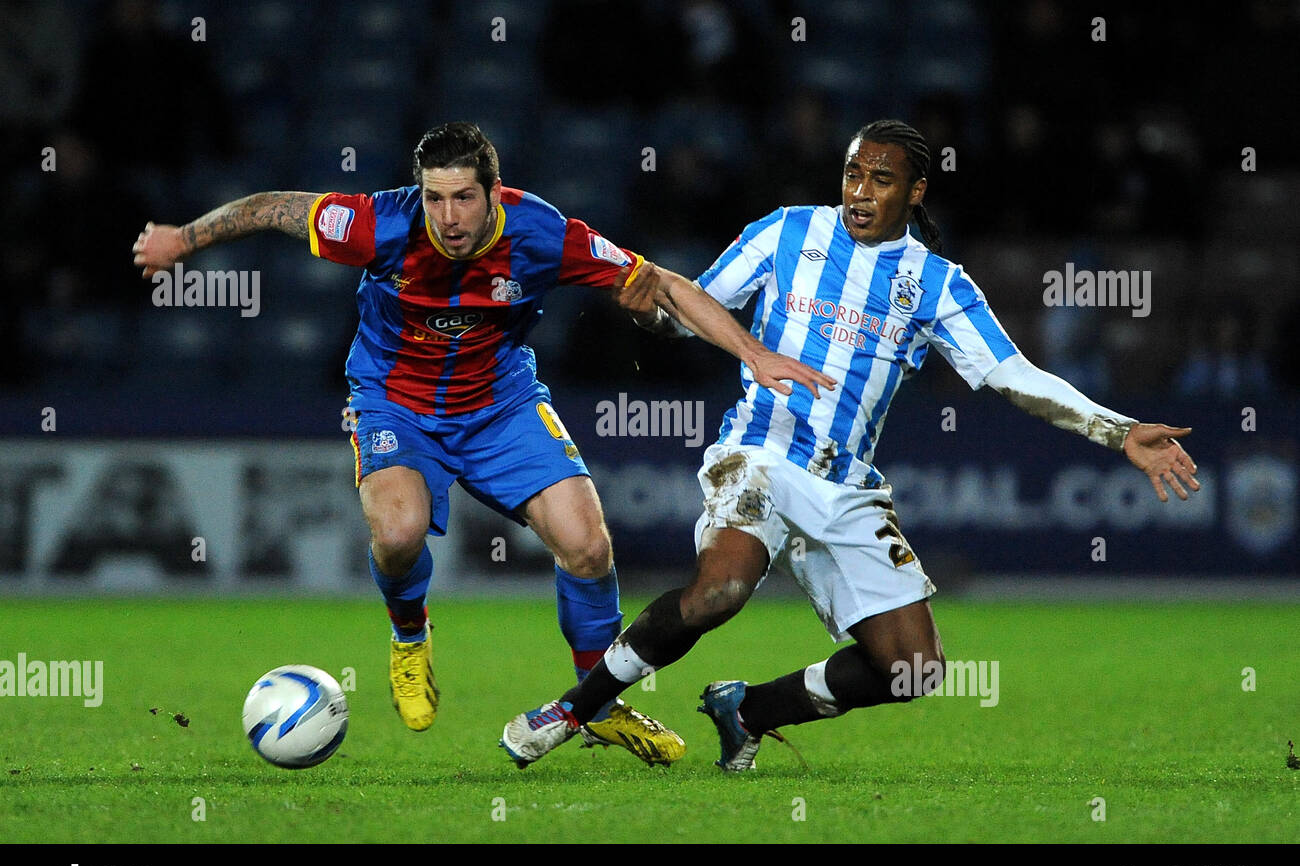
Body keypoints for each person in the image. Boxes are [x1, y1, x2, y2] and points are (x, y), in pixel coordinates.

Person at [501, 118, 1201, 770]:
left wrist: (1117, 430)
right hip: (760, 454)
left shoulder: (936, 282)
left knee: (915, 670)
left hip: (845, 483)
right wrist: (652, 313)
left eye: (881, 179)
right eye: (852, 174)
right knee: (721, 589)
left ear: (915, 190)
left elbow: (1012, 375)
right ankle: (572, 712)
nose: (861, 192)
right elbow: (691, 314)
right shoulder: (784, 233)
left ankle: (749, 709)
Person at [132, 121, 833, 767]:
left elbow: (663, 287)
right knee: (400, 533)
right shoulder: (378, 224)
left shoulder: (543, 233)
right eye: (435, 198)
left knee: (588, 547)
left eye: (464, 197)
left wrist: (752, 353)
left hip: (501, 405)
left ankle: (598, 706)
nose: (449, 217)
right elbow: (268, 208)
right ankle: (410, 636)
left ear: (494, 191)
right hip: (394, 402)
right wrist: (181, 241)